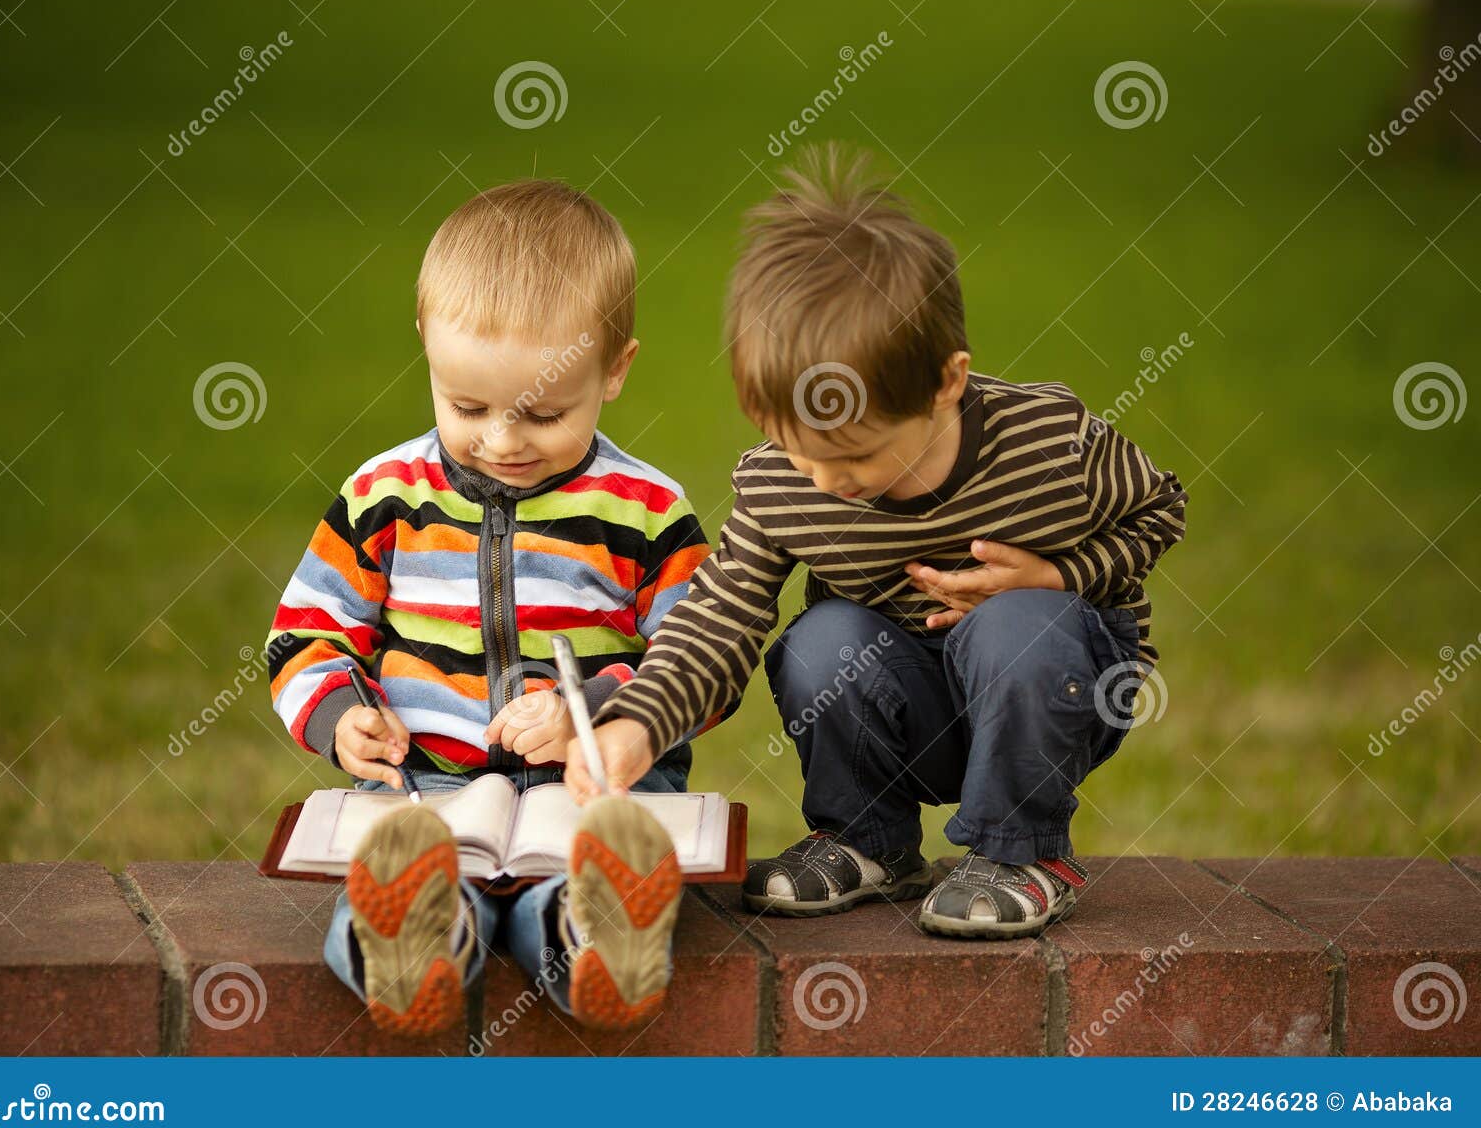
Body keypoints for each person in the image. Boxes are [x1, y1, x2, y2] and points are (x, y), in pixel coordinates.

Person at [568, 146, 1189, 939]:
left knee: (1013, 621)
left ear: (946, 383)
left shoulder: (1047, 442)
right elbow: (718, 617)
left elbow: (1159, 510)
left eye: (856, 455)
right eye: (799, 450)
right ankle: (867, 837)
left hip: (1054, 687)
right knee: (819, 640)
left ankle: (1023, 849)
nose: (826, 480)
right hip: (909, 700)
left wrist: (1058, 572)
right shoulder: (783, 486)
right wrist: (639, 721)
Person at [266, 179, 722, 1033]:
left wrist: (594, 705)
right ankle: (417, 942)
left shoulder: (646, 509)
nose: (503, 441)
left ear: (616, 369)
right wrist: (339, 714)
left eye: (545, 413)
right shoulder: (384, 496)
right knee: (411, 882)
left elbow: (704, 659)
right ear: (428, 352)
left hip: (591, 788)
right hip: (427, 791)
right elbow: (304, 632)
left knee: (569, 879)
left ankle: (597, 930)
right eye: (467, 406)